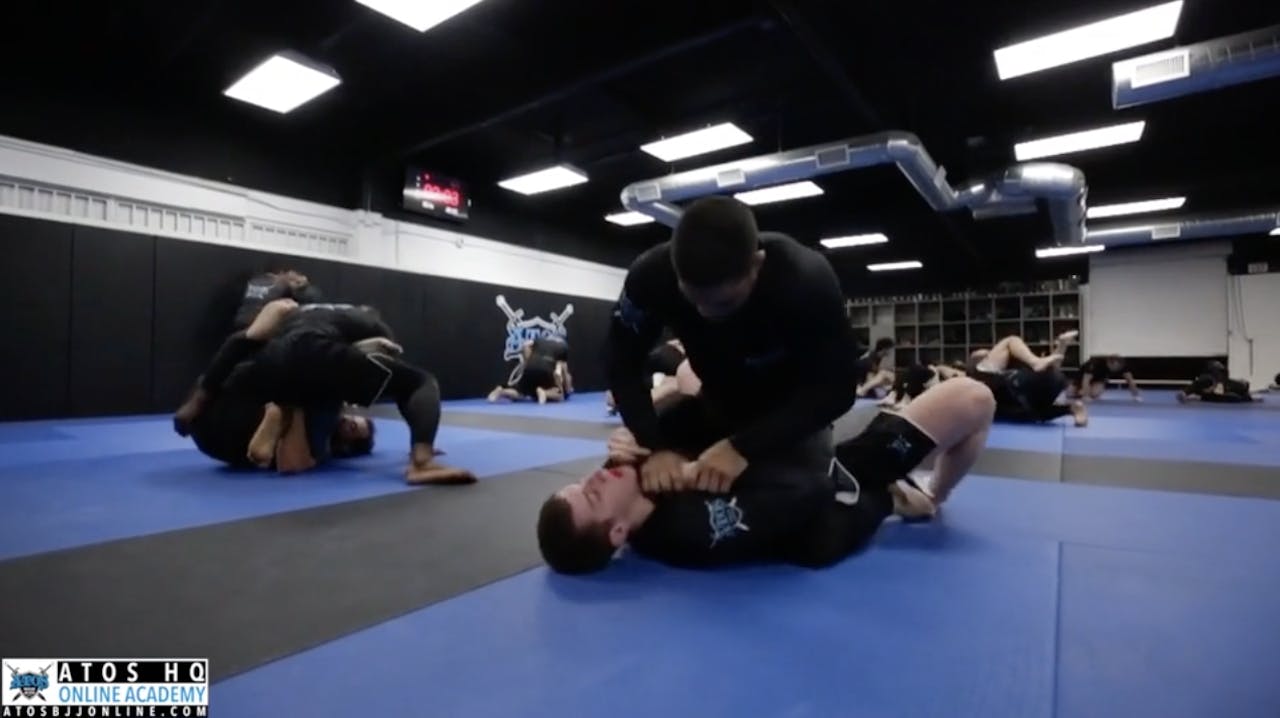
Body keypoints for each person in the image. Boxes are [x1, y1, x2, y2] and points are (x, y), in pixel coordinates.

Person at [536, 377, 996, 573]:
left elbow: (694, 409)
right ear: (619, 532)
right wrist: (700, 468)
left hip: (796, 455)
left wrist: (648, 429)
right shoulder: (687, 530)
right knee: (974, 400)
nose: (595, 479)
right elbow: (807, 487)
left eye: (582, 483)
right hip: (835, 502)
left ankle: (915, 484)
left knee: (689, 372)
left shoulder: (631, 478)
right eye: (591, 497)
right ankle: (928, 495)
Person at [604, 196, 862, 495]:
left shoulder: (805, 280)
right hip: (716, 406)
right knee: (627, 481)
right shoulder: (650, 277)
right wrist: (654, 446)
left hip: (790, 417)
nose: (707, 313)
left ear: (757, 264)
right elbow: (620, 362)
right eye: (694, 299)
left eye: (724, 302)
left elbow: (839, 389)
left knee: (801, 498)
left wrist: (742, 448)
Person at [178, 300, 473, 485]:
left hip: (215, 418)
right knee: (421, 382)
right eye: (358, 423)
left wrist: (200, 396)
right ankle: (421, 463)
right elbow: (403, 387)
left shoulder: (306, 312)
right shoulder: (375, 329)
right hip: (225, 437)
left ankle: (281, 407)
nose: (353, 420)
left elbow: (241, 341)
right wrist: (420, 437)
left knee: (250, 342)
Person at [488, 336, 572, 404]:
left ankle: (502, 391)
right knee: (559, 395)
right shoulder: (563, 347)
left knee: (522, 393)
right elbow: (562, 372)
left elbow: (525, 345)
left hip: (531, 367)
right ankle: (544, 393)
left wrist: (527, 362)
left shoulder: (540, 339)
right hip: (546, 369)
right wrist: (567, 390)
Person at [233, 268, 323, 330]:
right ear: (283, 272)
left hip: (241, 321)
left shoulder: (255, 280)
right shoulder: (282, 284)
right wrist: (302, 284)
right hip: (261, 324)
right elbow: (310, 297)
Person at [1068, 354, 1142, 402]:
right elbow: (1086, 380)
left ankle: (1085, 392)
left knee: (1094, 393)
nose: (1116, 370)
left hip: (1098, 380)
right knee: (1070, 394)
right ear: (1108, 362)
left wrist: (1136, 396)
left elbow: (1130, 380)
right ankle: (1080, 392)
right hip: (1081, 378)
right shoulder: (1094, 362)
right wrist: (1085, 396)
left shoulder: (1123, 365)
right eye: (1114, 367)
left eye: (1118, 368)